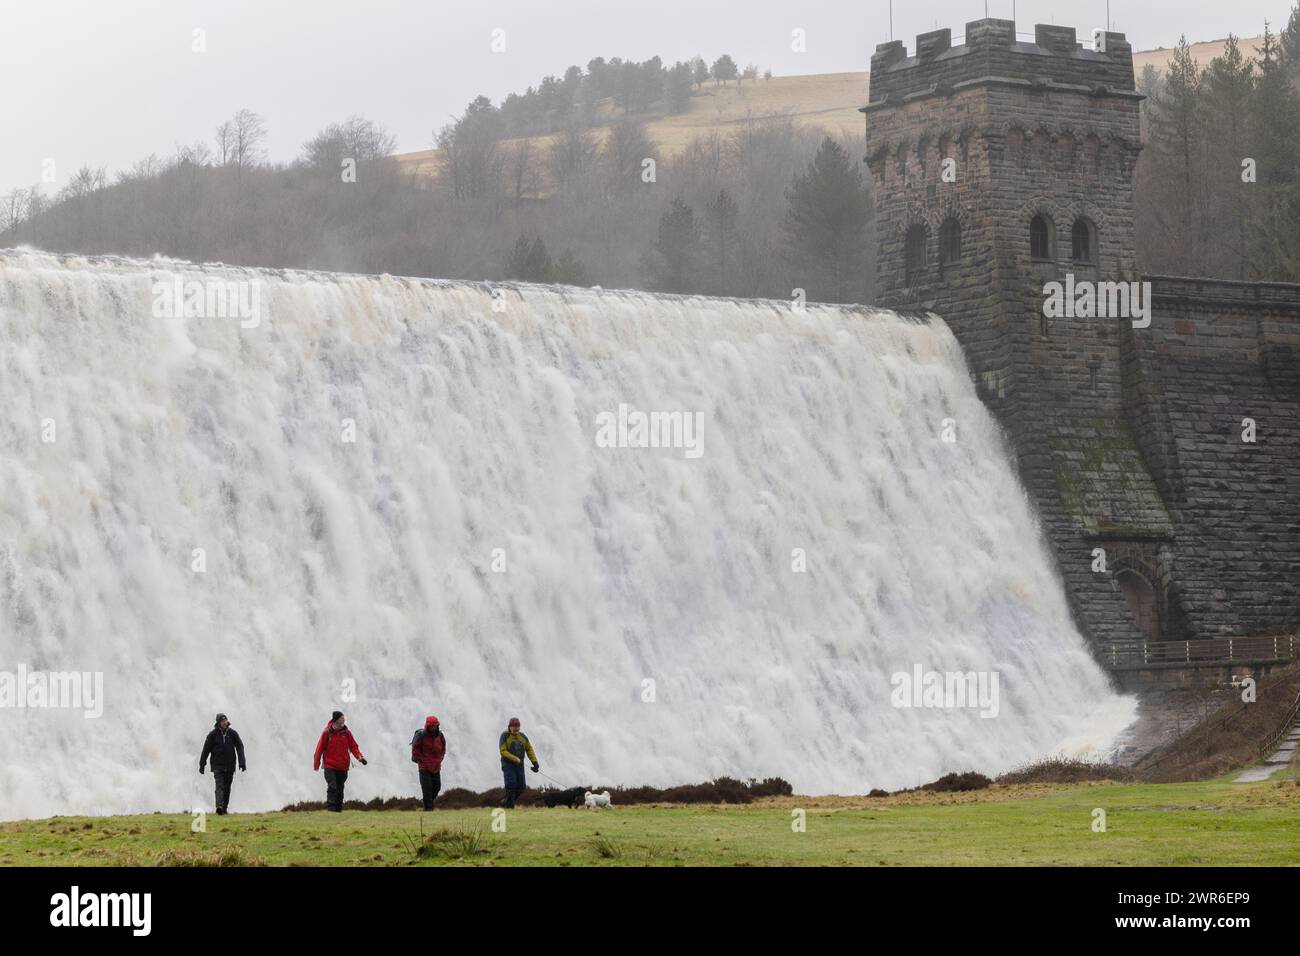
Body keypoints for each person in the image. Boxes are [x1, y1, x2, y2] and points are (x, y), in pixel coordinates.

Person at [312, 710, 367, 811]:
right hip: (330, 766)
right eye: (342, 718)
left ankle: (338, 810)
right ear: (336, 720)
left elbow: (354, 746)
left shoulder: (347, 733)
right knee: (332, 787)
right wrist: (316, 764)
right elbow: (319, 749)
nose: (344, 719)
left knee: (340, 789)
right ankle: (331, 810)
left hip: (343, 766)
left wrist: (360, 757)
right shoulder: (326, 733)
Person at [198, 713, 246, 815]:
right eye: (222, 721)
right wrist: (202, 764)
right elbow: (206, 750)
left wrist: (242, 762)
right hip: (217, 765)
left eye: (225, 720)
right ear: (218, 723)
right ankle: (219, 806)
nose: (224, 722)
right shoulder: (213, 735)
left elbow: (240, 746)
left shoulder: (233, 734)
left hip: (230, 765)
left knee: (227, 787)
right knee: (219, 785)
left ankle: (224, 808)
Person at [498, 716, 539, 809]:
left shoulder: (523, 737)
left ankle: (507, 802)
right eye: (514, 727)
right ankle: (510, 805)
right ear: (510, 727)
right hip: (508, 764)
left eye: (518, 726)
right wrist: (513, 758)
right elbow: (502, 750)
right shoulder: (505, 735)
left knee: (521, 787)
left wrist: (535, 762)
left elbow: (529, 749)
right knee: (511, 785)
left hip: (519, 765)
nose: (516, 729)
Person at [410, 715, 447, 810]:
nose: (433, 727)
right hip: (424, 767)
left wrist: (440, 759)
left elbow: (443, 748)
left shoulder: (440, 735)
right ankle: (428, 809)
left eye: (435, 725)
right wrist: (423, 761)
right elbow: (415, 750)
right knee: (427, 789)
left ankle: (426, 804)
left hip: (436, 766)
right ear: (427, 726)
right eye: (431, 726)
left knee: (437, 787)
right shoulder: (421, 735)